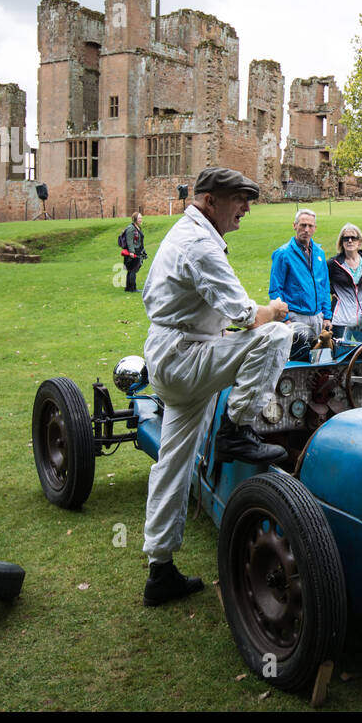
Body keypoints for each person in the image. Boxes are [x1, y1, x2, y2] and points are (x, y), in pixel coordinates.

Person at [140, 168, 293, 606]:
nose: (246, 206)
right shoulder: (200, 243)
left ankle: (160, 570)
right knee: (276, 337)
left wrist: (218, 334)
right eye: (239, 198)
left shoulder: (183, 234)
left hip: (173, 354)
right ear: (209, 200)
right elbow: (247, 315)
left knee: (174, 464)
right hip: (184, 358)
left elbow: (168, 301)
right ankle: (236, 429)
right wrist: (276, 310)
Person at [269, 208, 332, 343]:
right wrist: (285, 319)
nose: (306, 230)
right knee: (298, 358)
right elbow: (275, 290)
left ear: (315, 228)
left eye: (310, 226)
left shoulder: (319, 253)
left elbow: (325, 287)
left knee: (318, 358)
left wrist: (327, 316)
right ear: (295, 225)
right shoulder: (283, 254)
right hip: (295, 317)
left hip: (317, 317)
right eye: (303, 225)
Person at [118, 212, 148, 293]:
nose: (141, 219)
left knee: (131, 270)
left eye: (141, 218)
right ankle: (132, 288)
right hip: (132, 252)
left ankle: (128, 288)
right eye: (139, 218)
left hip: (137, 250)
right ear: (135, 219)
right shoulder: (131, 228)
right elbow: (129, 241)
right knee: (133, 270)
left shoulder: (137, 227)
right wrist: (131, 252)